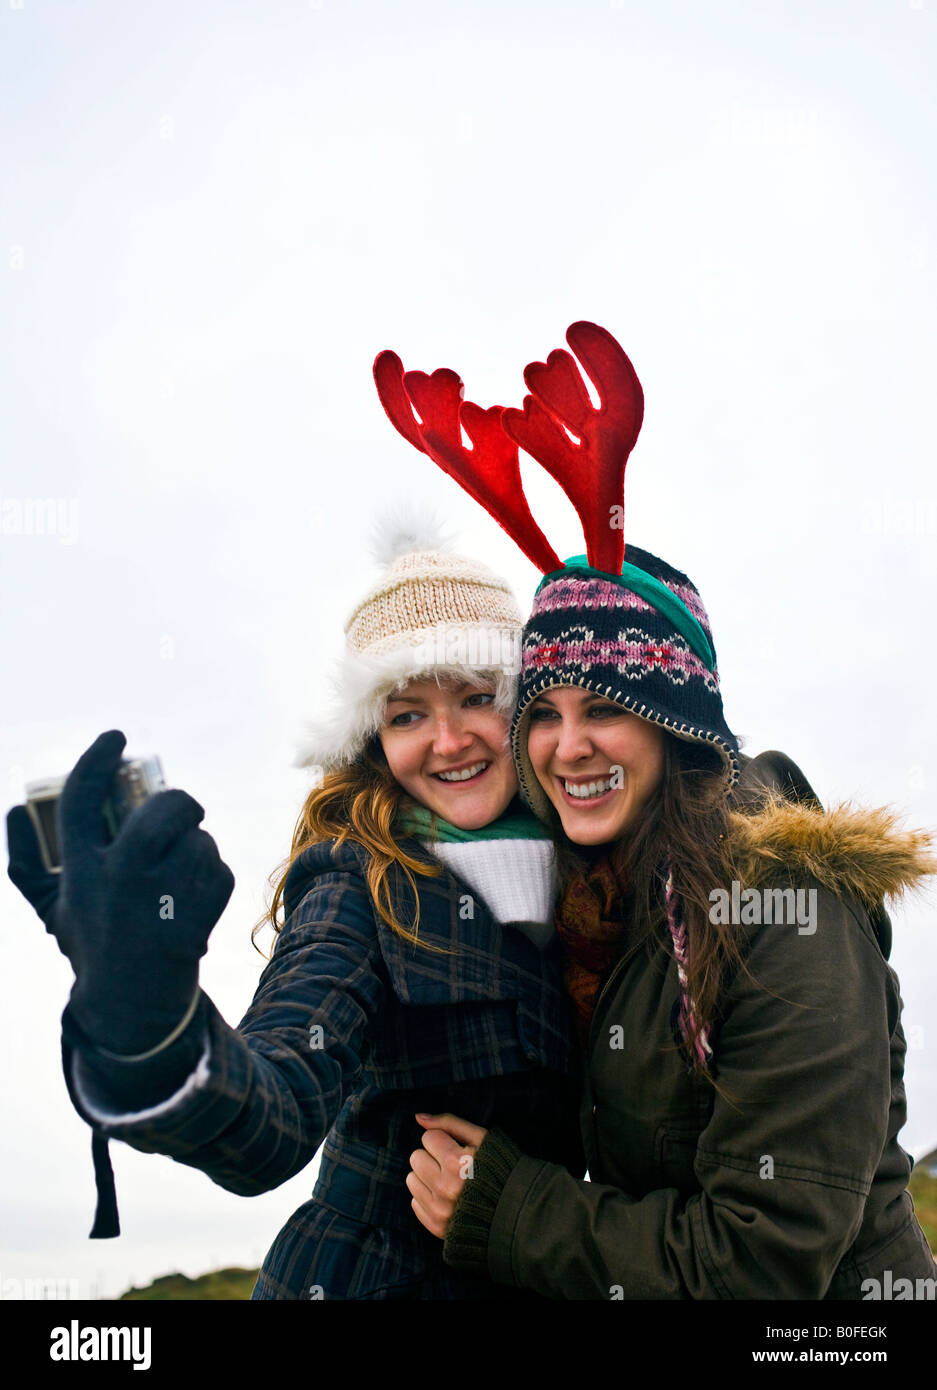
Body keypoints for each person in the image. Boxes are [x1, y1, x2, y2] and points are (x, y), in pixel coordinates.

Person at [378, 320, 937, 1299]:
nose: (566, 745)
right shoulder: (603, 904)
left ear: (677, 730)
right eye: (542, 713)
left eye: (606, 708)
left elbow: (764, 1260)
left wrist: (505, 1209)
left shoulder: (780, 903)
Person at [6, 521, 583, 1300]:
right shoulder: (361, 881)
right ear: (371, 740)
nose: (447, 741)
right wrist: (146, 1018)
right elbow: (272, 1110)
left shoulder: (591, 879)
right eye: (406, 713)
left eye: (478, 698)